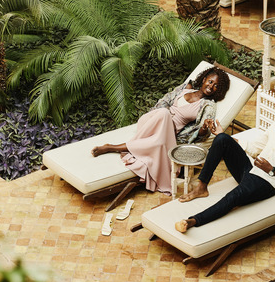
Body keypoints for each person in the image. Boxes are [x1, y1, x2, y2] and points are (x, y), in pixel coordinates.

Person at [175, 100, 275, 232]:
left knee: (233, 197)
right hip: (250, 167)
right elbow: (255, 147)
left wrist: (272, 170)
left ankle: (193, 220)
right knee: (222, 139)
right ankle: (201, 188)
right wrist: (225, 138)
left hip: (268, 181)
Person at [91, 67, 231, 194]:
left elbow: (201, 134)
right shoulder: (186, 88)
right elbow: (164, 102)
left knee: (158, 141)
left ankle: (112, 147)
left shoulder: (208, 106)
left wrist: (205, 126)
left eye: (216, 86)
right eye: (211, 81)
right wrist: (164, 112)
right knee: (164, 113)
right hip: (152, 121)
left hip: (168, 133)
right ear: (204, 79)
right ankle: (119, 147)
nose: (212, 86)